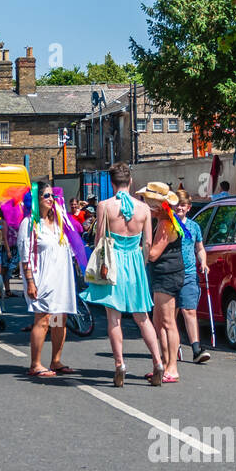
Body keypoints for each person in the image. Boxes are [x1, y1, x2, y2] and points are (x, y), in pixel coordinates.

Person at [80, 164, 165, 387]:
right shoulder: (144, 208)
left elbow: (99, 239)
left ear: (112, 182)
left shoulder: (104, 205)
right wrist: (141, 263)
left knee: (113, 317)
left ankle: (120, 365)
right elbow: (147, 242)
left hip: (113, 262)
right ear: (131, 181)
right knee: (142, 317)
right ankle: (157, 362)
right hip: (135, 263)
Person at [21, 183, 80, 377]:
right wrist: (30, 281)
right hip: (42, 278)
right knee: (44, 319)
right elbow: (25, 256)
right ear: (36, 200)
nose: (50, 198)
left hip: (61, 278)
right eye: (45, 195)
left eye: (52, 195)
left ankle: (56, 361)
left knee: (59, 319)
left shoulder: (59, 222)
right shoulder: (29, 223)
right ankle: (35, 364)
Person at [141, 182, 185, 383]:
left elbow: (154, 254)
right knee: (158, 322)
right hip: (163, 274)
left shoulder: (166, 224)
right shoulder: (164, 221)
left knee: (168, 322)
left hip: (168, 274)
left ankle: (172, 368)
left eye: (148, 202)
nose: (146, 206)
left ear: (158, 205)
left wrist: (138, 247)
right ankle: (165, 364)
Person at [174, 189, 211, 363]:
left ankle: (196, 349)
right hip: (170, 274)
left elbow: (200, 248)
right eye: (176, 205)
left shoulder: (194, 226)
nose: (179, 208)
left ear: (188, 207)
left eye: (182, 205)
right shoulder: (168, 224)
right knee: (170, 315)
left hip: (189, 273)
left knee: (189, 310)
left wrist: (203, 262)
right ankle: (173, 345)